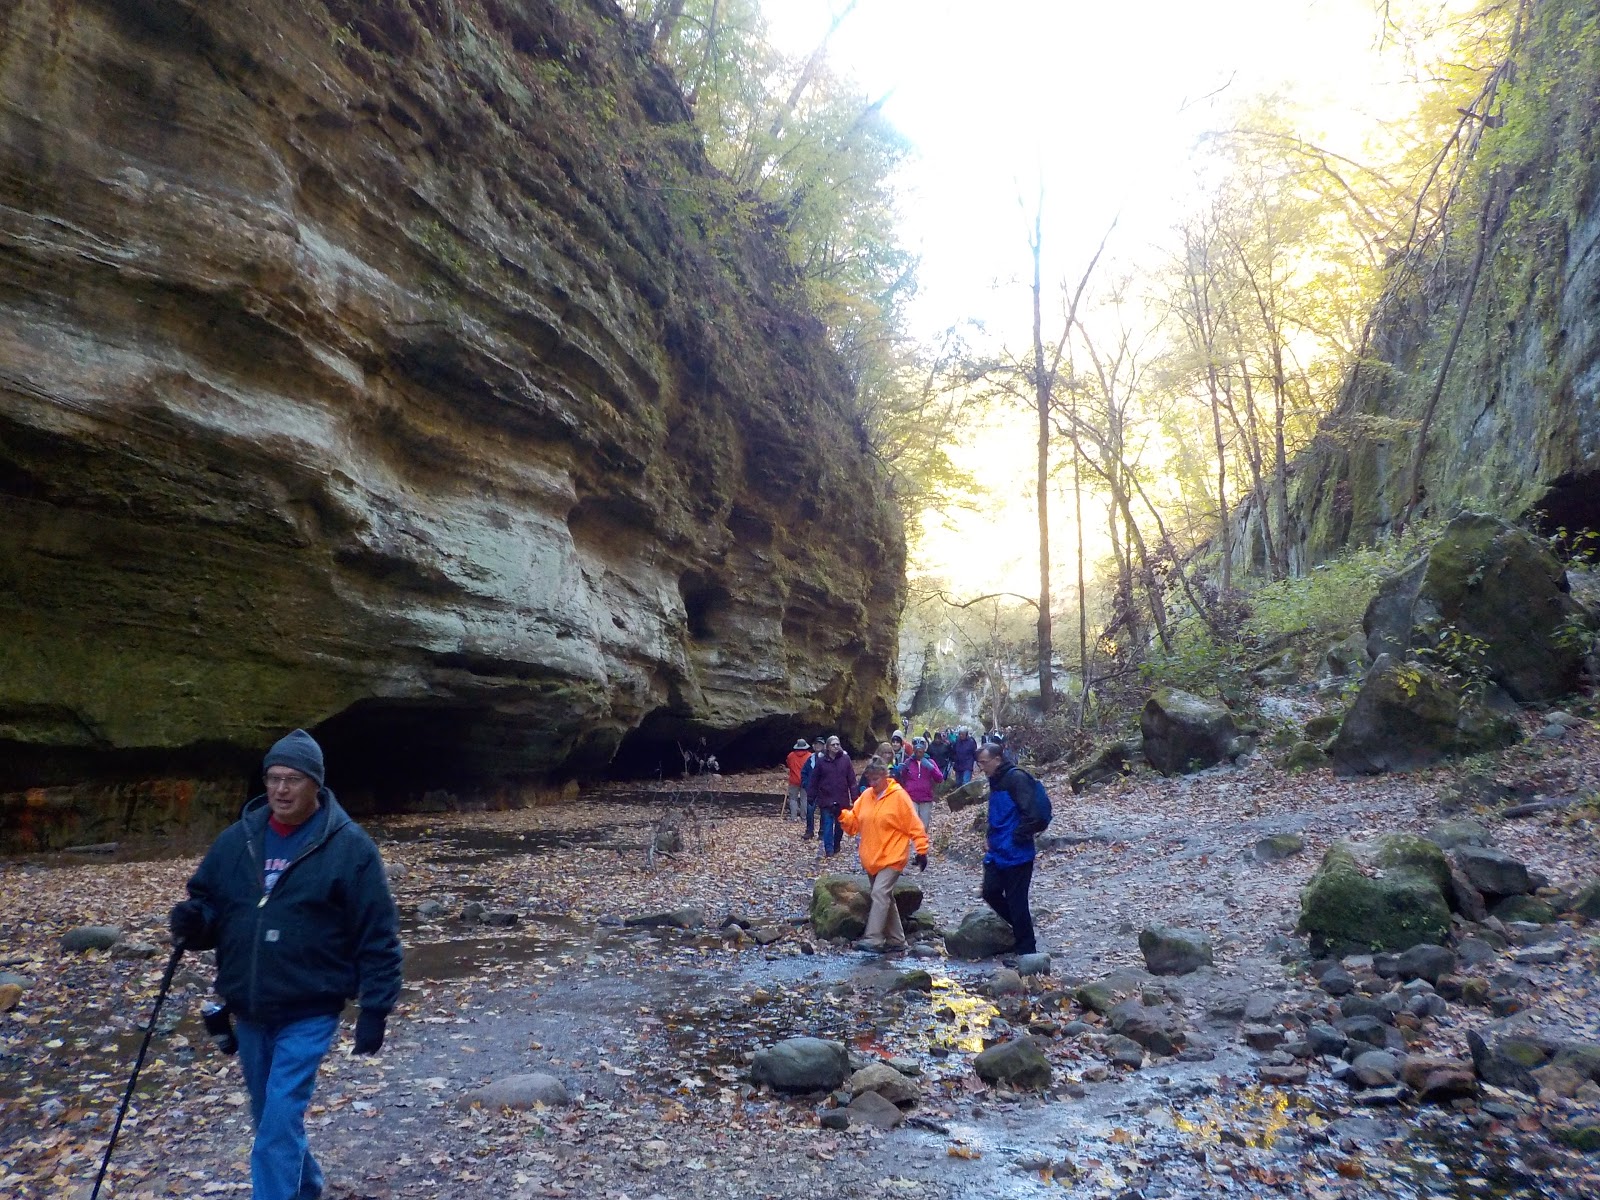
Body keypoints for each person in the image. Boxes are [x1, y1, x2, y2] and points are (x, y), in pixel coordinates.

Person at [169, 729, 402, 1200]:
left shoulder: (349, 848)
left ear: (315, 784)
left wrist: (375, 1007)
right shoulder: (237, 841)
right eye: (273, 778)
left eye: (292, 779)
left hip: (310, 1008)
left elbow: (377, 933)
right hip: (250, 1009)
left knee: (279, 1118)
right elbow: (209, 906)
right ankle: (307, 1184)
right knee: (268, 1114)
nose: (281, 789)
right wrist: (193, 922)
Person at [837, 757, 929, 953]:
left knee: (879, 893)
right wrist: (842, 814)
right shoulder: (866, 797)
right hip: (872, 858)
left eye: (876, 778)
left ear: (886, 776)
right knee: (885, 897)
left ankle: (873, 938)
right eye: (870, 779)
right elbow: (853, 826)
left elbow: (914, 824)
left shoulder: (899, 797)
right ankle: (897, 940)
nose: (873, 783)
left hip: (893, 856)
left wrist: (921, 850)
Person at [976, 741, 1045, 956]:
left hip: (1018, 853)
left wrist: (1018, 836)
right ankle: (1020, 931)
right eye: (979, 763)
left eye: (984, 763)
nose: (981, 768)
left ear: (997, 759)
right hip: (997, 851)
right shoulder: (995, 780)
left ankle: (1027, 950)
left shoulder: (1017, 778)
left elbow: (1036, 815)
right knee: (990, 892)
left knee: (1017, 901)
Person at [805, 735, 856, 858]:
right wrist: (811, 796)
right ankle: (829, 850)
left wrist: (855, 797)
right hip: (826, 798)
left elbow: (852, 779)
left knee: (839, 826)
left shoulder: (845, 760)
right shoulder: (821, 762)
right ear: (827, 747)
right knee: (827, 824)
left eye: (837, 744)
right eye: (833, 744)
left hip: (841, 798)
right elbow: (814, 780)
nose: (836, 746)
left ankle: (836, 844)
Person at [897, 736, 944, 835]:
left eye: (921, 750)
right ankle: (914, 847)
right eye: (917, 750)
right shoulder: (908, 762)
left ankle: (921, 846)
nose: (919, 752)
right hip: (911, 798)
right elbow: (903, 778)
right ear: (913, 750)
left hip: (926, 799)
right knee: (913, 824)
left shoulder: (930, 762)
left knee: (924, 826)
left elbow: (939, 778)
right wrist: (900, 770)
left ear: (924, 750)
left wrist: (931, 768)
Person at [799, 737, 826, 839]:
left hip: (824, 790)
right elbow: (804, 773)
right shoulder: (810, 759)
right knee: (810, 811)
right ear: (813, 746)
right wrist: (806, 784)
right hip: (812, 790)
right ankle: (809, 831)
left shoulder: (826, 759)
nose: (818, 746)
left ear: (824, 746)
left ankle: (822, 833)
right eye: (816, 744)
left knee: (824, 812)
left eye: (820, 744)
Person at [783, 738, 812, 821]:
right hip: (805, 780)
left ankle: (793, 817)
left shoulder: (790, 755)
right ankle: (804, 817)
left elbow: (788, 764)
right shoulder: (809, 756)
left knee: (793, 799)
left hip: (793, 780)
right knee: (804, 799)